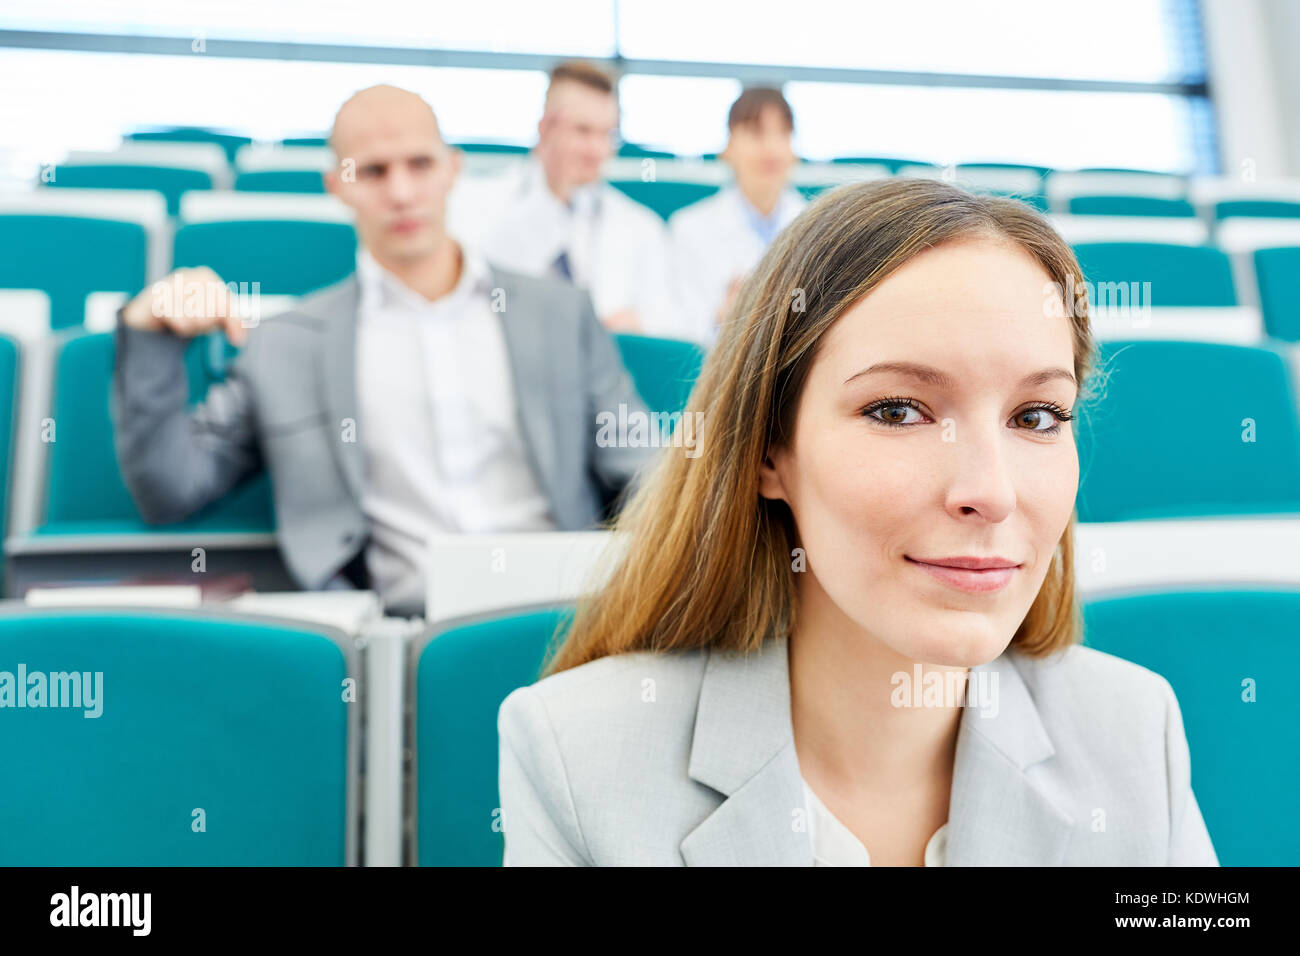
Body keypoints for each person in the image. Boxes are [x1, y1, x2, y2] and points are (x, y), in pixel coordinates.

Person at [497, 178, 1219, 866]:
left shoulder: (1134, 732)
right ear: (768, 451)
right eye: (898, 410)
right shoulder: (578, 758)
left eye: (1036, 416)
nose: (991, 492)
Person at [110, 85, 653, 619]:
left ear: (452, 169)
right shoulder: (285, 345)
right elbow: (170, 490)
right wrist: (151, 333)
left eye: (420, 164)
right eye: (373, 171)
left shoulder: (560, 314)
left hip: (566, 619)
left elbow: (647, 477)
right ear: (337, 185)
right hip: (396, 639)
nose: (401, 192)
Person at [449, 60, 678, 336]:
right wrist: (553, 194)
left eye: (607, 134)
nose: (598, 150)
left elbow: (669, 327)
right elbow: (475, 300)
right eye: (583, 131)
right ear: (545, 129)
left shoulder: (640, 225)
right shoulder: (474, 203)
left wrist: (637, 326)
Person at [667, 87, 806, 345]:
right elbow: (679, 336)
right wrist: (722, 317)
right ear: (728, 147)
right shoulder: (689, 228)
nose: (771, 148)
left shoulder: (817, 226)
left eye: (783, 133)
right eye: (756, 133)